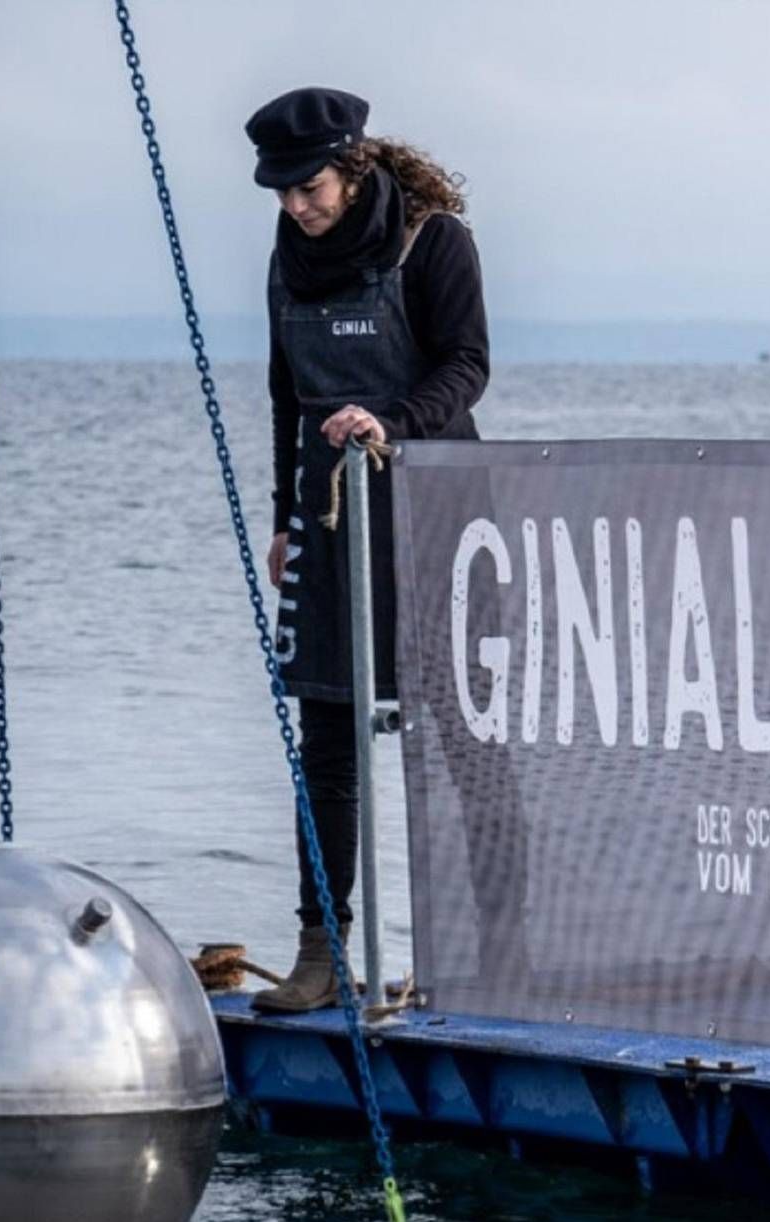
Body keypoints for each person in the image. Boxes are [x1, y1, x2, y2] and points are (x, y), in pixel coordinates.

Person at [244, 86, 490, 1012]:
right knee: (327, 737)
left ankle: (490, 947)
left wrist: (392, 421)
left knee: (464, 735)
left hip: (437, 502)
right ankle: (321, 953)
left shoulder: (434, 241)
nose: (295, 206)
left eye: (308, 188)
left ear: (351, 168)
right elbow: (285, 393)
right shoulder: (288, 254)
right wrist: (284, 515)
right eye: (280, 192)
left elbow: (468, 364)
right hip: (328, 511)